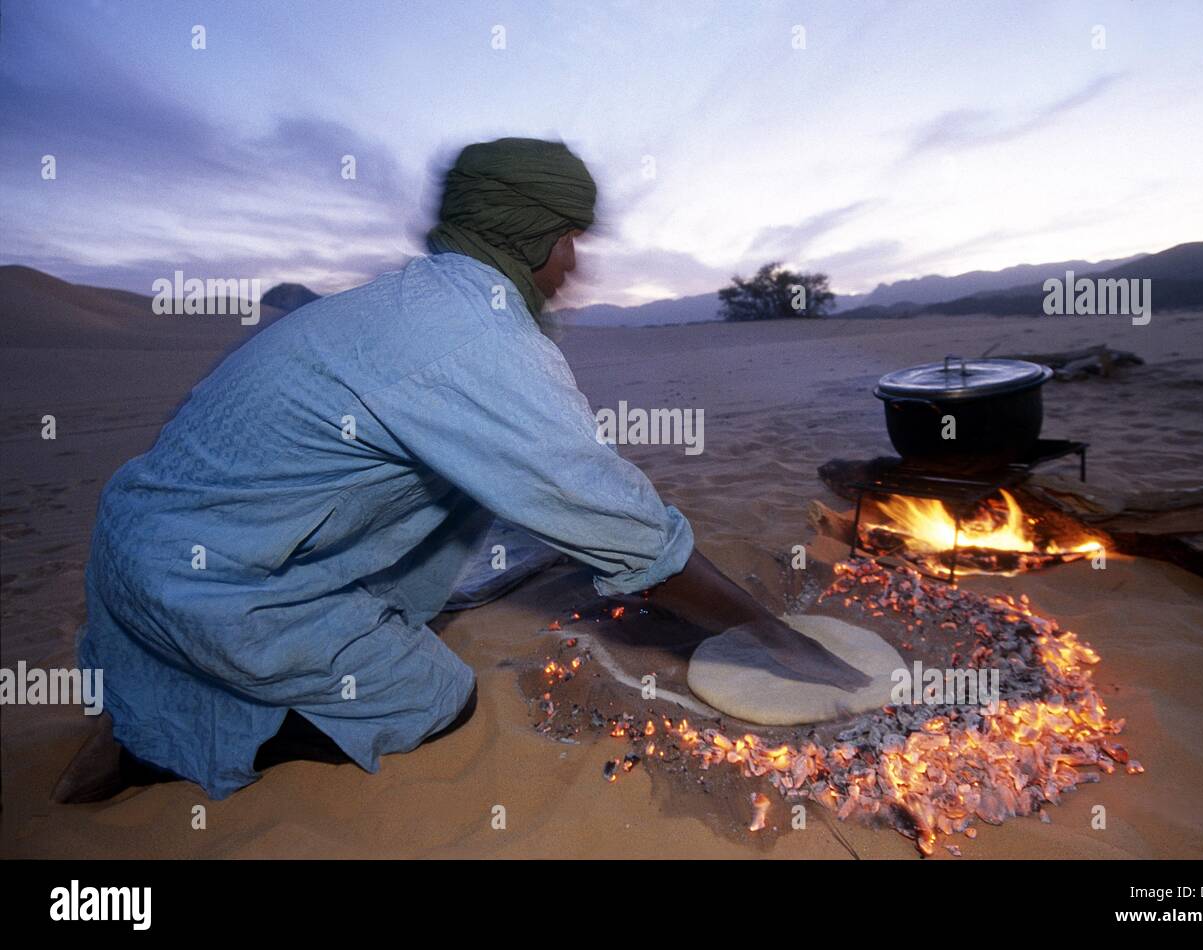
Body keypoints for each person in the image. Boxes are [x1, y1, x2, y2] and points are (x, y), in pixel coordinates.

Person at [55, 137, 865, 803]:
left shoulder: (416, 301)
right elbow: (629, 531)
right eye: (571, 238)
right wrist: (776, 642)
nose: (575, 264)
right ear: (540, 239)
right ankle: (165, 747)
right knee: (436, 699)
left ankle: (165, 695)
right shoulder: (477, 342)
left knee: (499, 553)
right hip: (208, 586)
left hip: (150, 540)